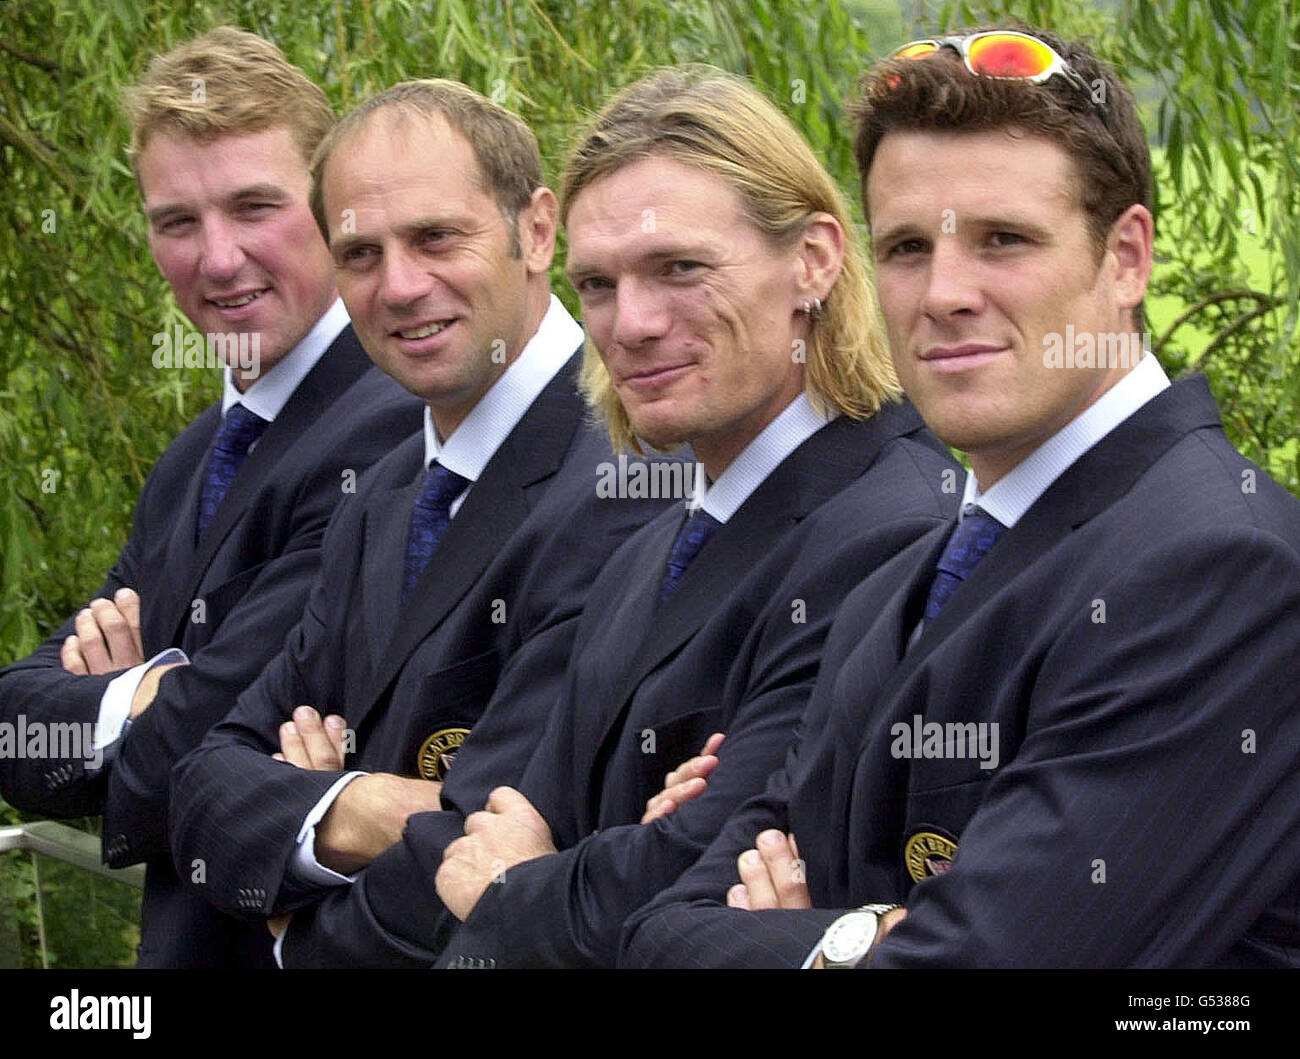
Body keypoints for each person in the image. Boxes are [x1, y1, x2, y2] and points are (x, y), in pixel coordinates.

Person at [621, 27, 1300, 968]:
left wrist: (815, 933)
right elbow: (657, 932)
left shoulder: (1223, 567)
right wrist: (863, 936)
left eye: (1003, 240)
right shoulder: (892, 588)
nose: (943, 293)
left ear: (1127, 257)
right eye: (905, 247)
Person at [421, 67, 957, 969]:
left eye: (680, 268)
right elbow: (501, 827)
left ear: (814, 260)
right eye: (596, 284)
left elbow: (698, 882)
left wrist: (526, 890)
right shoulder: (649, 543)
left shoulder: (897, 525)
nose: (630, 323)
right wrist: (575, 868)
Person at [166, 79, 674, 967]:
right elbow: (203, 782)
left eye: (437, 237)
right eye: (359, 253)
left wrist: (298, 929)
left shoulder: (632, 479)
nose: (399, 285)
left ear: (538, 230)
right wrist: (354, 809)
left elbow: (499, 840)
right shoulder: (390, 486)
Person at [0, 27, 423, 968]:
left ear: (330, 208)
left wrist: (120, 699)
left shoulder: (400, 429)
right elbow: (11, 724)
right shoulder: (195, 456)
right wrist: (141, 695)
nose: (219, 259)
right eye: (177, 221)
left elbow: (191, 756)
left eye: (254, 206)